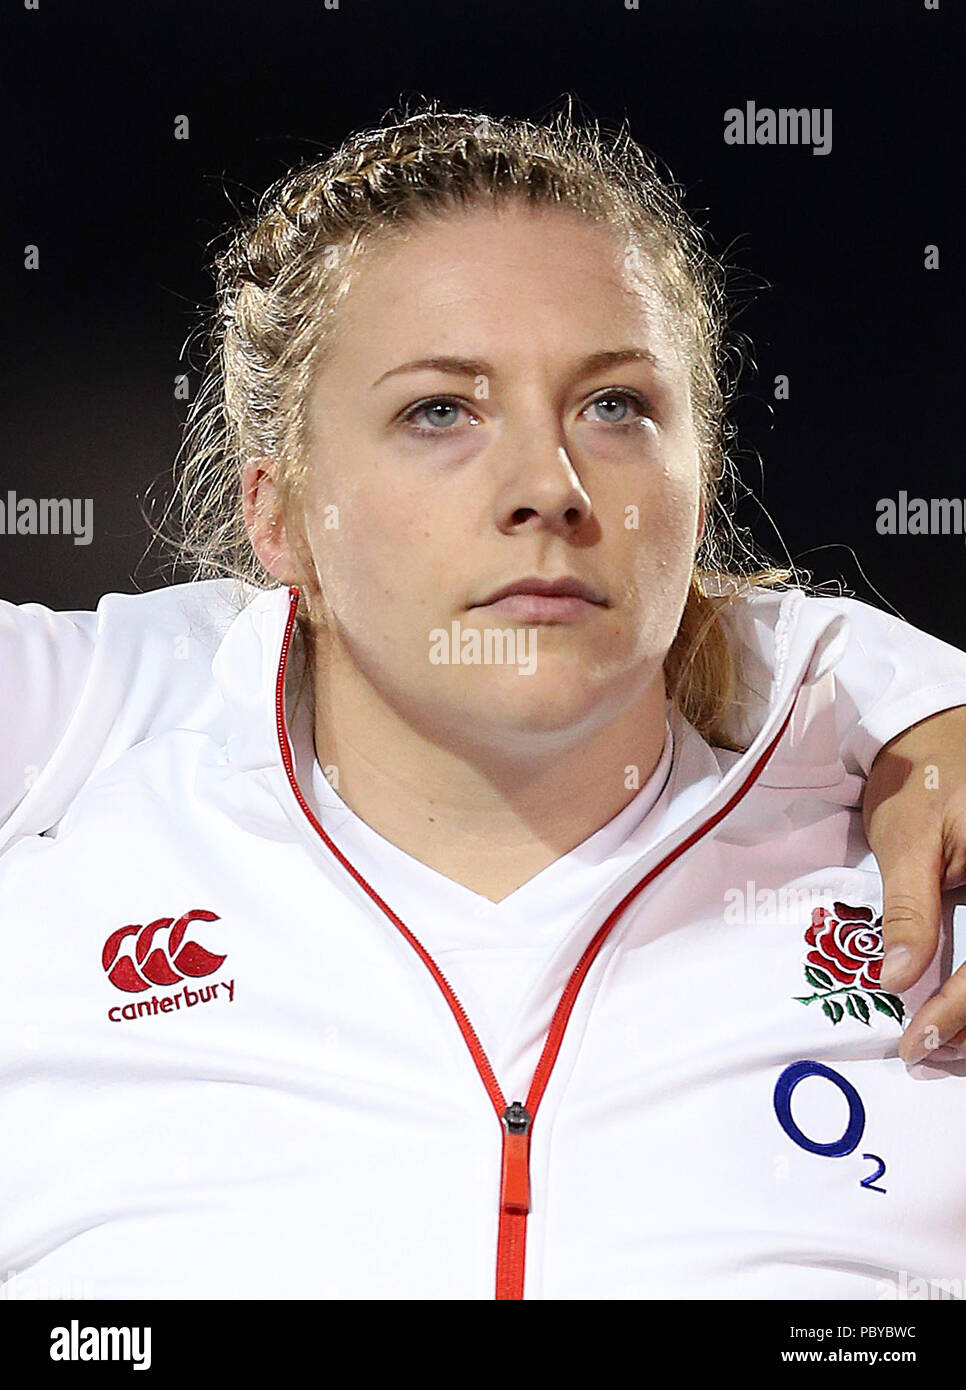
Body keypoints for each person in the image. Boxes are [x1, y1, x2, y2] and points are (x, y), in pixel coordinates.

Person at [3, 102, 966, 1301]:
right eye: (439, 412)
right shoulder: (55, 868)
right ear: (281, 515)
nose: (548, 489)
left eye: (615, 406)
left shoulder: (924, 906)